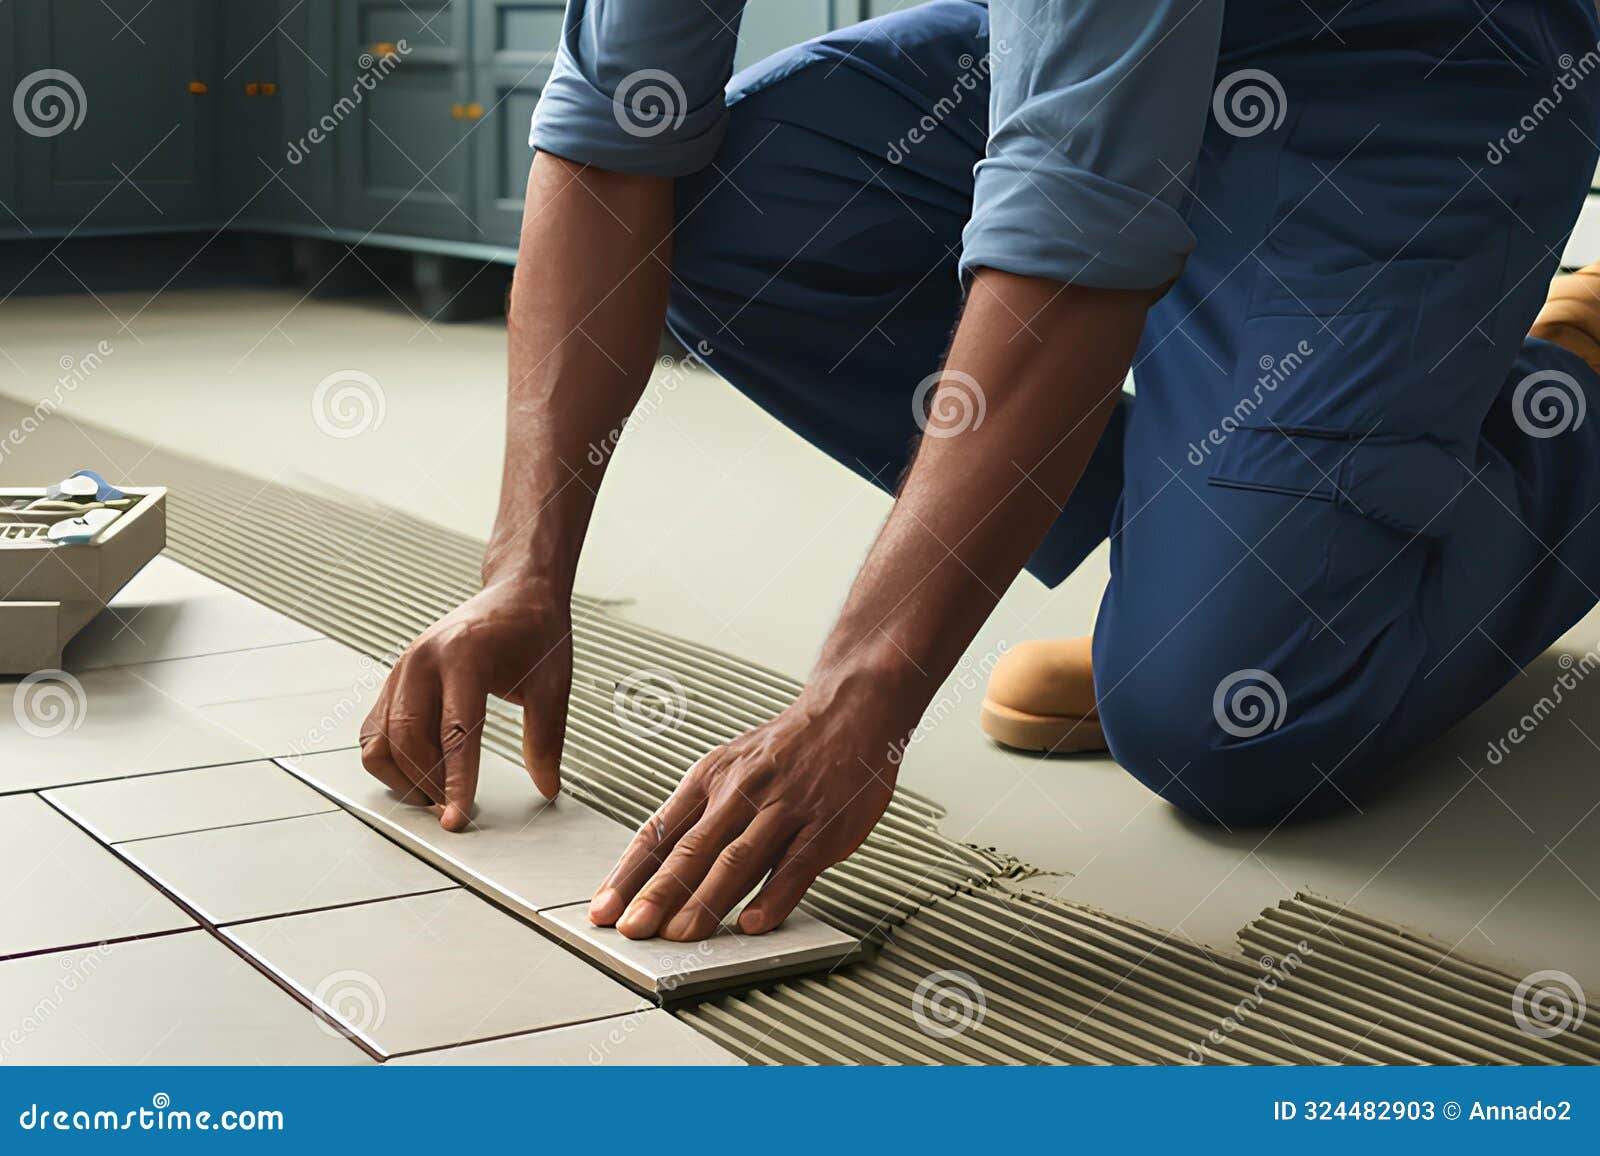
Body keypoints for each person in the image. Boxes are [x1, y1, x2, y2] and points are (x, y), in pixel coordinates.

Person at [360, 0, 1600, 943]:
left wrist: (858, 699)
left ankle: (1562, 403)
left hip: (1406, 73)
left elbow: (1070, 236)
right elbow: (612, 129)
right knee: (734, 205)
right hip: (1101, 60)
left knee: (1228, 719)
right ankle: (1211, 551)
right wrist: (521, 572)